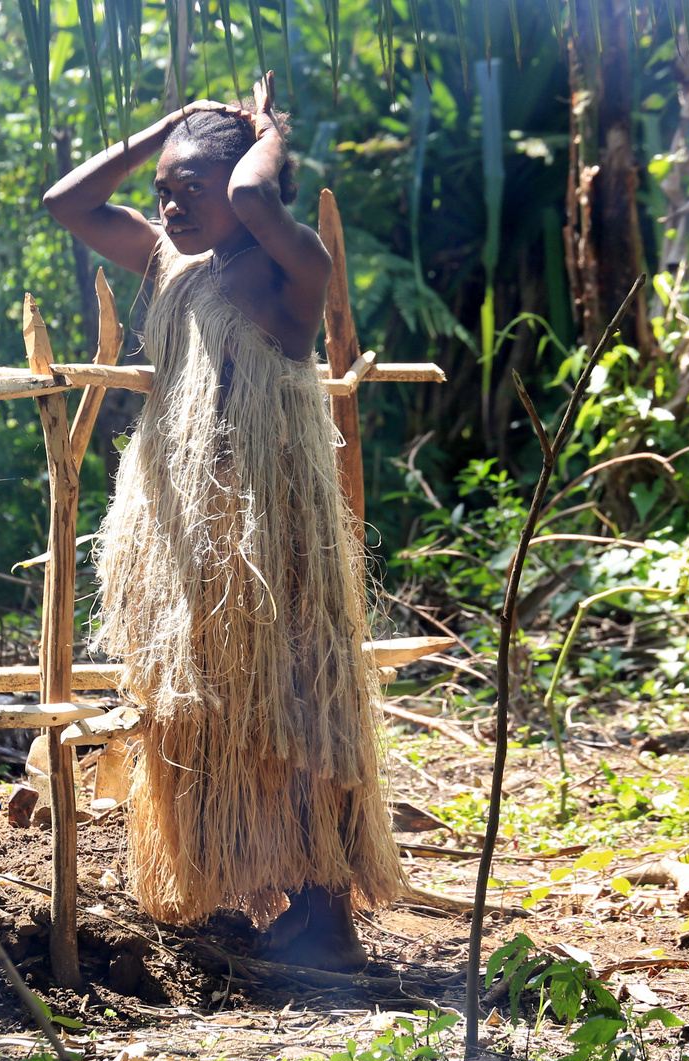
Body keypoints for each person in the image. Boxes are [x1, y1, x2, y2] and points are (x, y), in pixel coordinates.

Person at [43, 74, 401, 972]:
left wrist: (267, 131)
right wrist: (163, 129)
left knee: (295, 700)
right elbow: (67, 201)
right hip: (186, 532)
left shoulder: (293, 269)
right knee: (208, 709)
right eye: (163, 187)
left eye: (190, 188)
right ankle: (260, 891)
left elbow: (249, 192)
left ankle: (328, 912)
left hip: (272, 529)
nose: (170, 203)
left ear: (250, 184)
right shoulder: (167, 259)